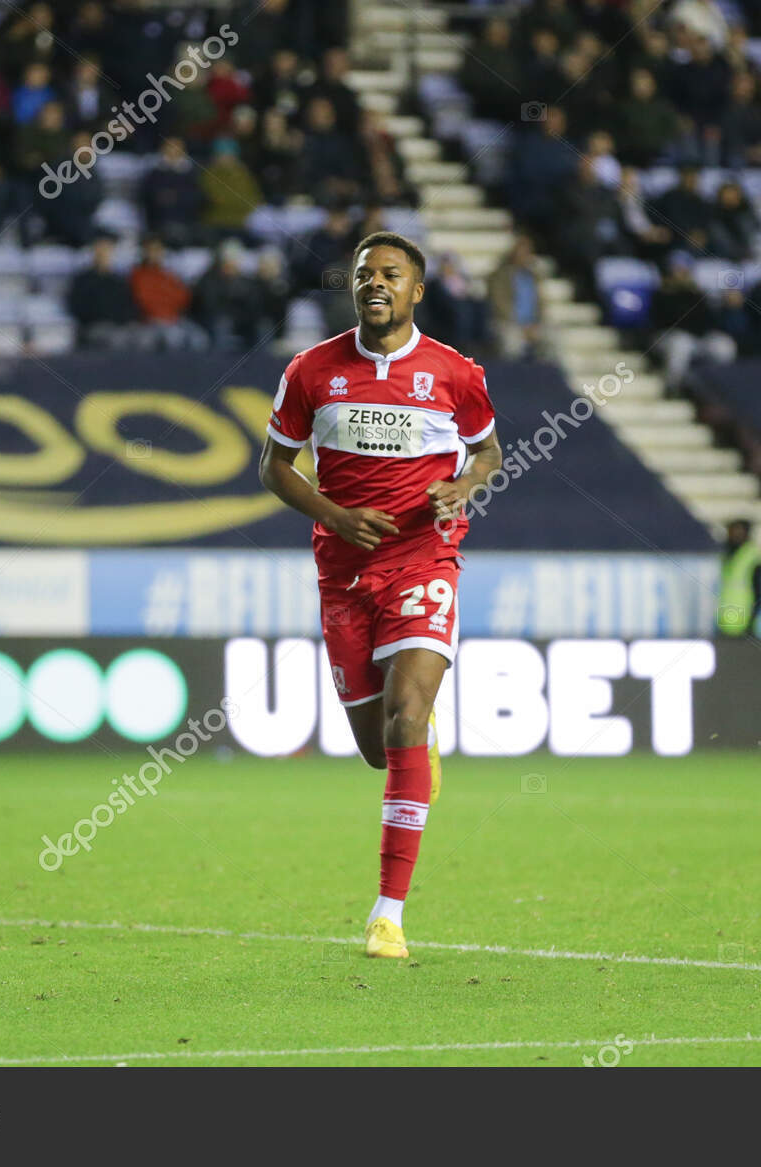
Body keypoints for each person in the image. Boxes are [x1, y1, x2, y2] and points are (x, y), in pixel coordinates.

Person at [258, 231, 501, 960]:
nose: (376, 283)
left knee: (406, 715)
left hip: (425, 558)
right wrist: (333, 515)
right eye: (366, 274)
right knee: (378, 746)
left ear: (416, 291)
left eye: (391, 274)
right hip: (343, 573)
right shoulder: (312, 371)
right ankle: (417, 747)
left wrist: (463, 484)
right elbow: (274, 466)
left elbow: (488, 448)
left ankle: (387, 914)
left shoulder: (455, 373)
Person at [718, 519, 761, 635]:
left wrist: (753, 618)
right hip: (725, 620)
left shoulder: (753, 556)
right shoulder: (726, 554)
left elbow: (759, 590)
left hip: (745, 621)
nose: (733, 535)